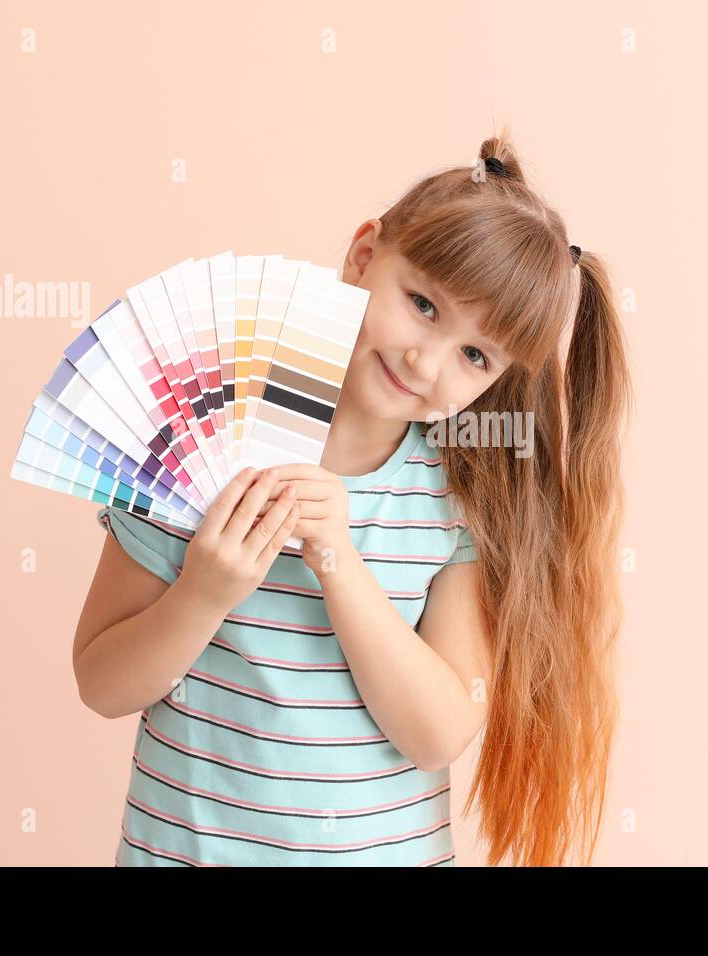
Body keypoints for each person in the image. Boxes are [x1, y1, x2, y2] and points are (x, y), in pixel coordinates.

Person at [72, 126, 633, 866]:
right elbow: (101, 683)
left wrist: (336, 556)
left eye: (474, 354)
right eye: (423, 305)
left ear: (496, 379)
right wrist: (204, 593)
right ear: (365, 254)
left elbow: (437, 731)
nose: (424, 359)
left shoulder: (456, 497)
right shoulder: (204, 435)